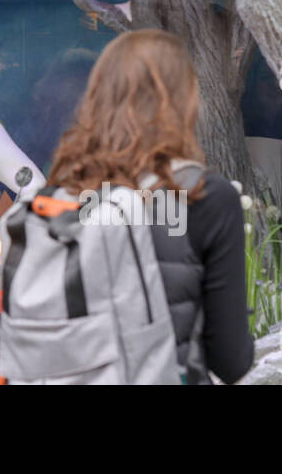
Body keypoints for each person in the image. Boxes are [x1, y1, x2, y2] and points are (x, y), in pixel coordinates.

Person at [41, 29, 253, 384]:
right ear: (183, 103)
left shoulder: (60, 194)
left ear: (96, 100)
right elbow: (231, 361)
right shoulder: (204, 194)